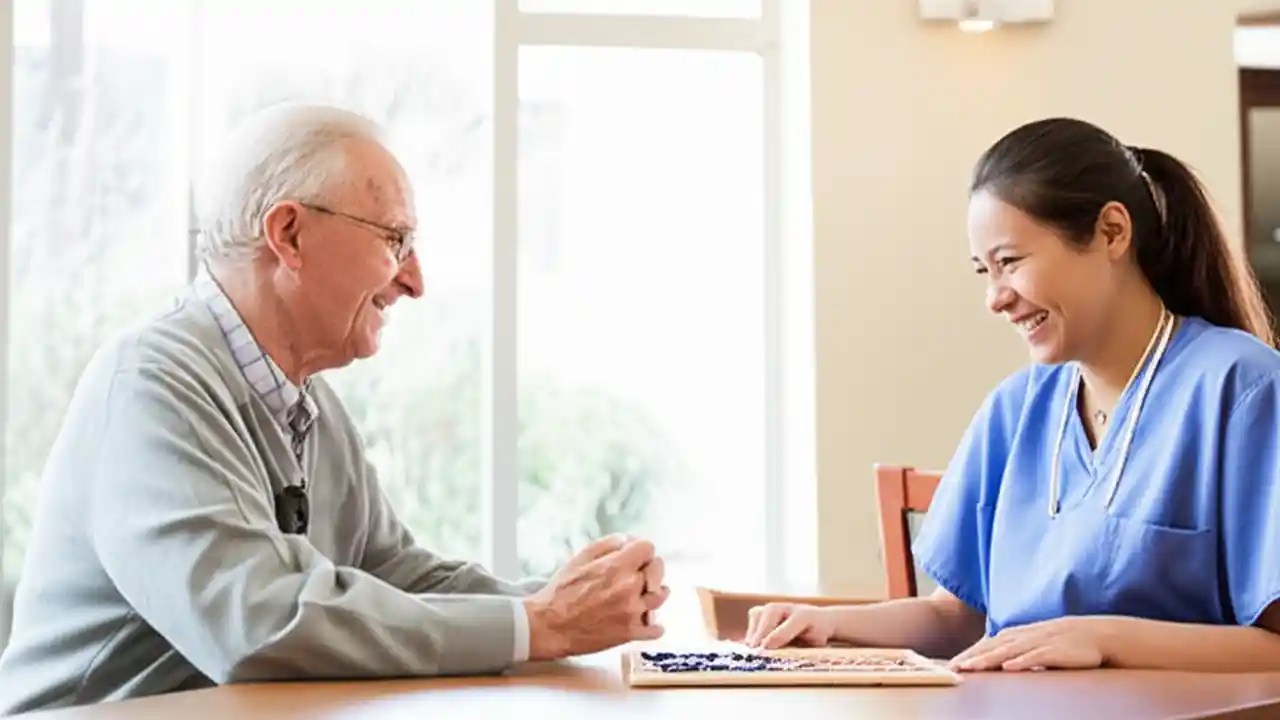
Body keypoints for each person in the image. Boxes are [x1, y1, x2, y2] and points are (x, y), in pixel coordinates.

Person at [0, 103, 669, 714]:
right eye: (396, 241)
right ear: (289, 234)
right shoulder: (150, 385)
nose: (415, 280)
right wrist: (542, 624)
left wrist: (556, 597)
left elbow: (396, 574)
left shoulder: (303, 398)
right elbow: (255, 625)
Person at [743, 117, 1280, 673]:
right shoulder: (1015, 409)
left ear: (1112, 233)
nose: (995, 298)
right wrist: (831, 624)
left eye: (1010, 262)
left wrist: (1104, 640)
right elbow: (960, 619)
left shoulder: (1243, 389)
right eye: (984, 270)